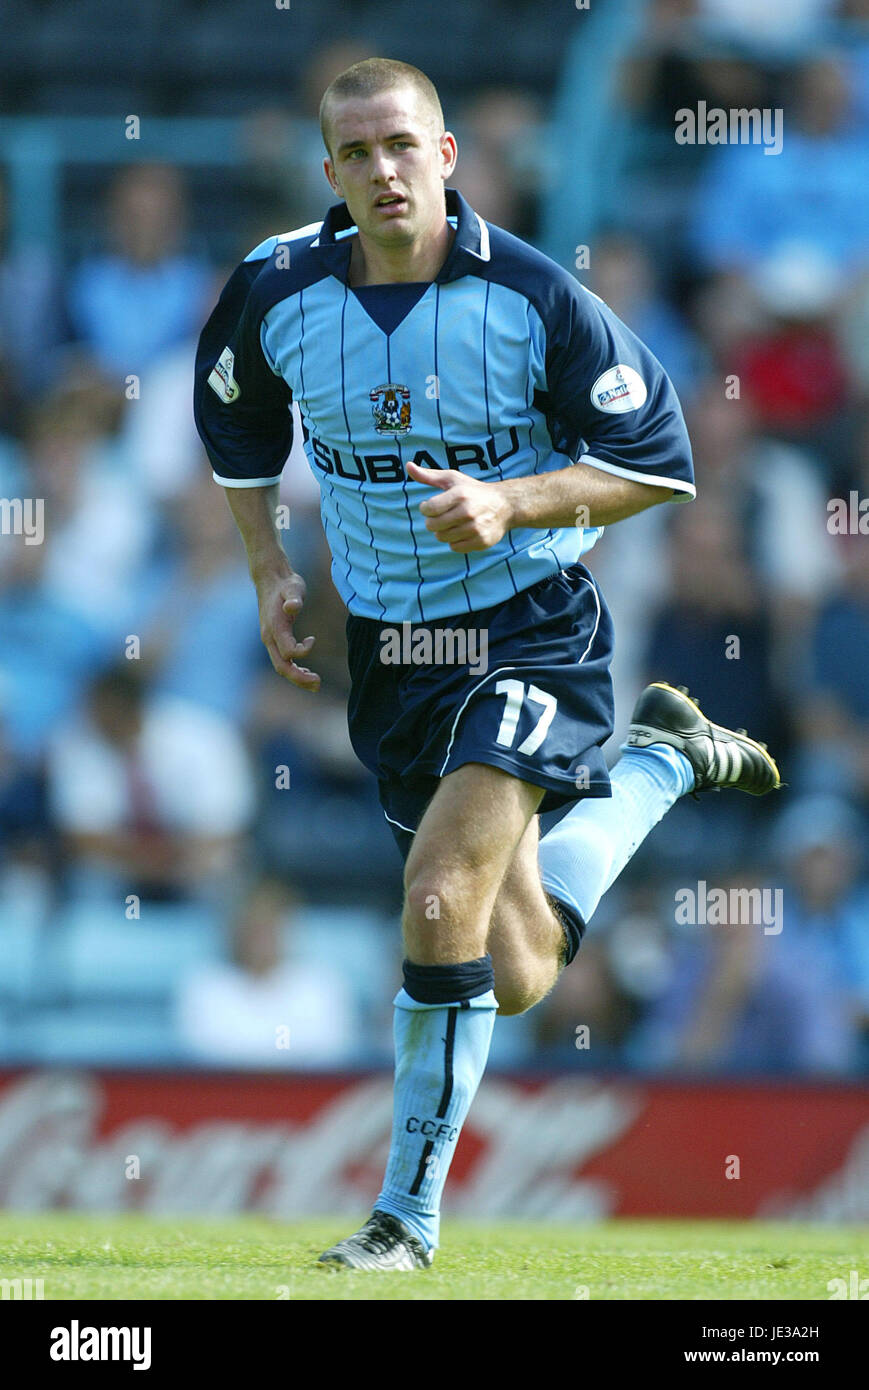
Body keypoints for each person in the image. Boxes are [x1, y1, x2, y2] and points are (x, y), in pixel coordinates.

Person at [194, 58, 780, 1271]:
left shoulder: (532, 294)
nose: (383, 170)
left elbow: (657, 459)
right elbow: (237, 433)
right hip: (396, 655)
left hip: (529, 625)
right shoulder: (274, 288)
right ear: (330, 174)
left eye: (402, 145)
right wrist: (266, 570)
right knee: (510, 969)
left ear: (446, 155)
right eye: (356, 154)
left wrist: (513, 500)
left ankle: (403, 1221)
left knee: (431, 902)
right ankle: (659, 765)